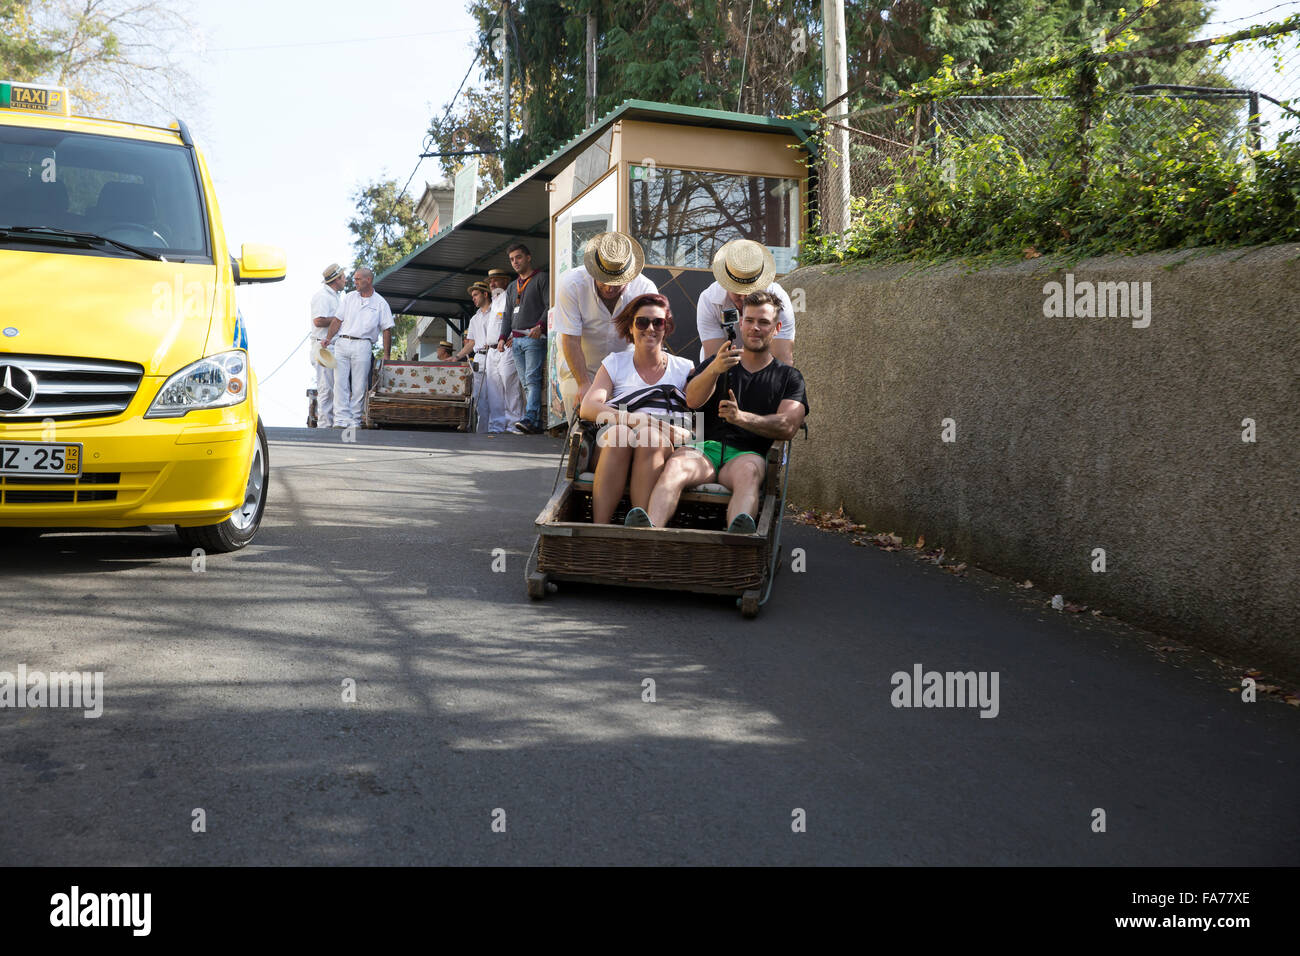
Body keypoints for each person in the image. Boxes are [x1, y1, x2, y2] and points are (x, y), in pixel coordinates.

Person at [642, 290, 808, 532]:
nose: (755, 328)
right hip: (704, 451)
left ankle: (737, 544)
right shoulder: (717, 362)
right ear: (741, 323)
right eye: (749, 321)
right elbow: (692, 401)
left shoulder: (789, 377)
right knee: (676, 466)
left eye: (764, 322)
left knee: (749, 474)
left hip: (747, 455)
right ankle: (649, 535)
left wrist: (742, 418)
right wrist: (713, 370)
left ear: (777, 327)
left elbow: (788, 425)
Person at [579, 294, 695, 526]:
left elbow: (694, 421)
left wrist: (657, 429)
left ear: (666, 327)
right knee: (622, 435)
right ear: (631, 327)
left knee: (650, 437)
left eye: (658, 322)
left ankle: (641, 528)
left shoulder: (684, 367)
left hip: (660, 444)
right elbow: (589, 407)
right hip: (617, 440)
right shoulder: (615, 363)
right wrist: (639, 421)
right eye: (642, 322)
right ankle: (599, 530)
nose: (650, 328)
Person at [552, 231, 658, 421]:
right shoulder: (571, 284)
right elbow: (570, 340)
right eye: (605, 281)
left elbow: (650, 342)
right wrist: (584, 384)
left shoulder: (645, 289)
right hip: (581, 365)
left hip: (625, 366)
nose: (610, 288)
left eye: (617, 283)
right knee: (582, 426)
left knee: (625, 433)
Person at [697, 239, 796, 365]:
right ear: (725, 284)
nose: (744, 297)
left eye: (751, 291)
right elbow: (713, 362)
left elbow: (783, 359)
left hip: (763, 368)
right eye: (737, 291)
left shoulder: (778, 298)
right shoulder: (709, 299)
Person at [324, 266, 394, 429]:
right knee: (339, 382)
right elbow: (337, 320)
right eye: (354, 279)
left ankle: (354, 420)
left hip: (363, 344)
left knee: (359, 384)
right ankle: (340, 419)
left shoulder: (380, 303)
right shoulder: (349, 298)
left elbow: (387, 329)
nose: (353, 282)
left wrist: (386, 355)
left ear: (368, 280)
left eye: (357, 279)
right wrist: (328, 339)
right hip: (342, 342)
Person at [496, 242, 549, 433]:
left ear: (528, 257)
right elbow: (508, 313)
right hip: (516, 340)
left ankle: (529, 418)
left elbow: (549, 305)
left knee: (532, 379)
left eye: (518, 257)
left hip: (534, 337)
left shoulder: (542, 278)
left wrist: (540, 326)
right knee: (526, 382)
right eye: (511, 259)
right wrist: (502, 336)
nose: (515, 262)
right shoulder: (512, 286)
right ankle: (534, 423)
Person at [484, 272, 525, 432]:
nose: (492, 284)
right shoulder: (494, 301)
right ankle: (497, 425)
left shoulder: (511, 295)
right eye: (490, 281)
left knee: (510, 385)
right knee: (494, 389)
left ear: (505, 281)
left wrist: (516, 334)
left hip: (506, 347)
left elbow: (520, 316)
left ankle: (514, 424)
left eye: (496, 280)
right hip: (492, 350)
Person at [309, 262, 346, 428]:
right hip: (323, 347)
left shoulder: (335, 297)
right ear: (336, 279)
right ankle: (324, 424)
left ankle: (330, 421)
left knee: (334, 387)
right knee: (326, 387)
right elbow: (318, 321)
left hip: (332, 346)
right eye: (343, 277)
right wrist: (340, 319)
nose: (346, 280)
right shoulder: (322, 296)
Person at [457, 281, 493, 432]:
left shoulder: (496, 311)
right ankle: (482, 431)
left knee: (496, 394)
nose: (473, 298)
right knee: (479, 396)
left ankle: (497, 429)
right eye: (472, 296)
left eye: (476, 295)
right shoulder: (474, 319)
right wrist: (457, 356)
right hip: (478, 357)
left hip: (494, 354)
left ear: (485, 294)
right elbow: (471, 342)